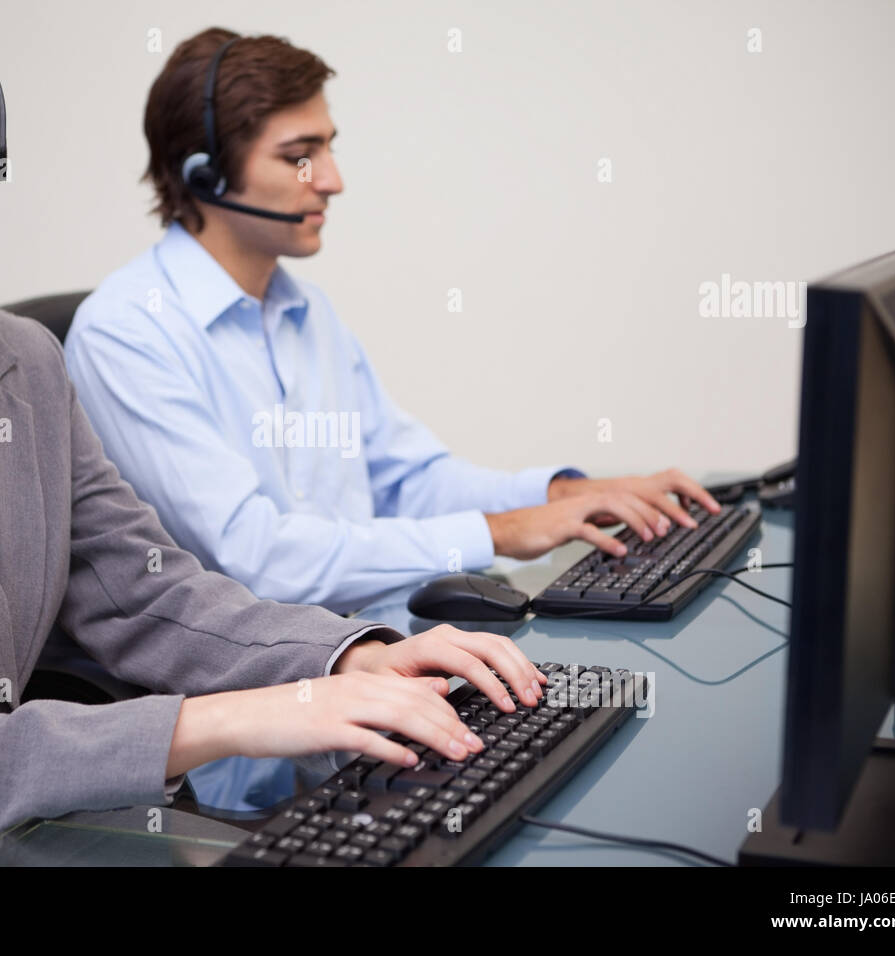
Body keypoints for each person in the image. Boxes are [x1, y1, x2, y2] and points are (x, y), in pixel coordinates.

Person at [0, 0, 547, 866]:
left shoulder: (26, 361)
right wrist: (245, 715)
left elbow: (145, 591)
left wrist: (350, 656)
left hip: (3, 833)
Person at [63, 27, 721, 809]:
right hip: (278, 744)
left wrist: (558, 495)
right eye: (300, 154)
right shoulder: (127, 334)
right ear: (205, 175)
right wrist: (499, 532)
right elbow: (256, 556)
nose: (332, 180)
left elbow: (406, 474)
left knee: (636, 754)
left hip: (396, 671)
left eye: (329, 148)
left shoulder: (303, 311)